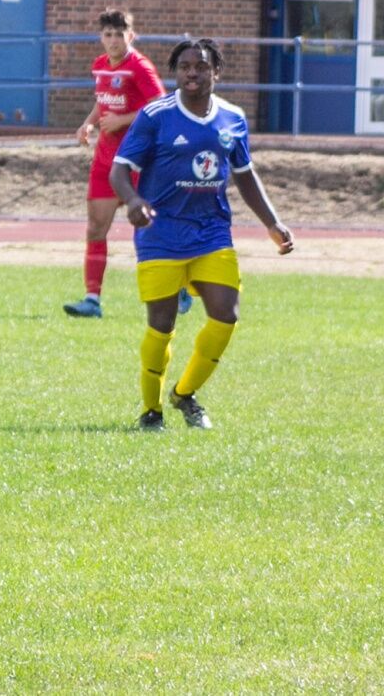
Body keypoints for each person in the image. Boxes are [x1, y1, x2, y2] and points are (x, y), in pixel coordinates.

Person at [111, 39, 293, 430]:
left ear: (216, 72)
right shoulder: (155, 115)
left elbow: (245, 176)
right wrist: (132, 200)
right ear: (176, 72)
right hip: (160, 234)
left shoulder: (232, 118)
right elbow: (120, 169)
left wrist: (272, 223)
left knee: (226, 316)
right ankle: (151, 411)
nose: (192, 72)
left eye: (200, 66)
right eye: (184, 67)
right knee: (161, 326)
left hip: (212, 234)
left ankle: (185, 394)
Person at [63, 9, 167, 319]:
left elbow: (160, 105)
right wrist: (89, 123)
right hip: (105, 159)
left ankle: (177, 289)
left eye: (119, 35)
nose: (112, 40)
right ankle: (92, 299)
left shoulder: (141, 67)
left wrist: (123, 119)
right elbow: (103, 100)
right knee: (95, 228)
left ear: (131, 36)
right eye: (107, 35)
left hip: (136, 159)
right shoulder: (99, 66)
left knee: (148, 229)